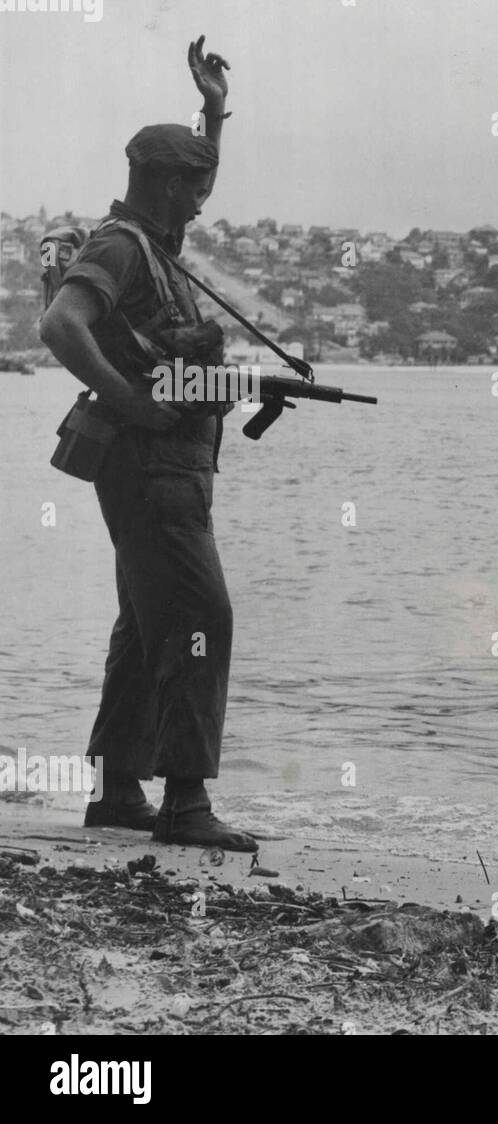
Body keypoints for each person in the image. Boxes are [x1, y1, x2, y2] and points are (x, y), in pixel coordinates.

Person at [39, 37, 258, 852]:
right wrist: (131, 400)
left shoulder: (157, 248)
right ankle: (187, 806)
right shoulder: (123, 247)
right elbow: (60, 324)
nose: (203, 200)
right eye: (193, 185)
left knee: (146, 619)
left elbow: (195, 176)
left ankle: (118, 791)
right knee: (201, 614)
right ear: (164, 185)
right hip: (149, 466)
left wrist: (211, 112)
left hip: (171, 465)